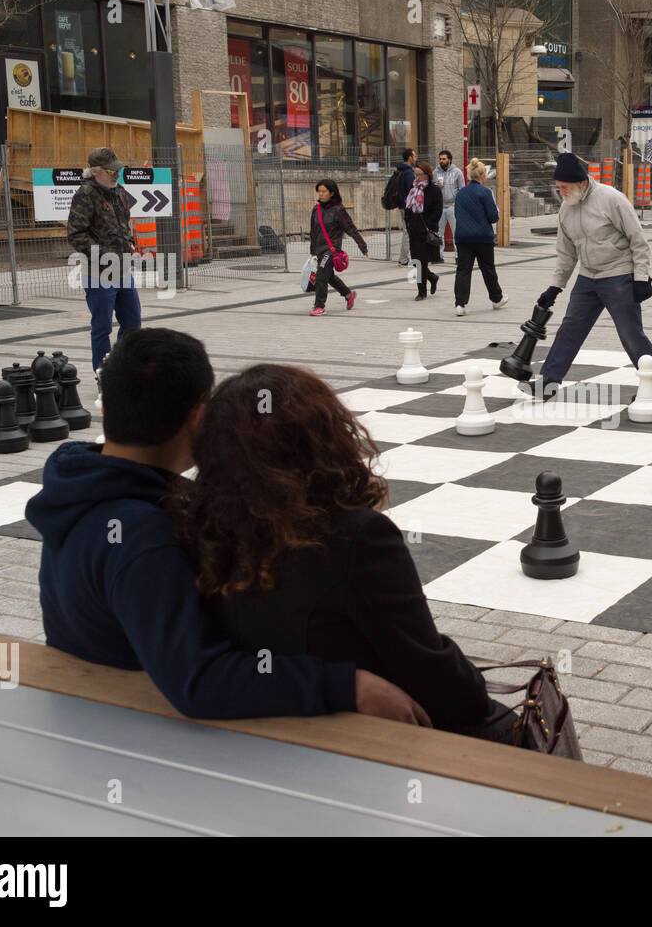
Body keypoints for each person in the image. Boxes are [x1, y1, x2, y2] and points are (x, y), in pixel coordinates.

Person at [24, 328, 429, 725]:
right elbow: (197, 682)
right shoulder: (140, 534)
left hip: (87, 712)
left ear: (106, 407)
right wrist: (345, 685)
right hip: (133, 737)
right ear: (199, 416)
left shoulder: (78, 488)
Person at [166, 364, 524, 743]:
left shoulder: (196, 526)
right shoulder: (357, 538)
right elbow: (433, 673)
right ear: (322, 439)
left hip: (259, 730)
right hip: (360, 740)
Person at [523, 152, 652, 402]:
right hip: (587, 277)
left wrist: (641, 278)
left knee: (630, 333)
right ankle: (548, 383)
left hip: (618, 274)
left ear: (581, 183)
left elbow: (638, 240)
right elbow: (566, 254)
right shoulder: (566, 209)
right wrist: (555, 287)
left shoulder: (611, 199)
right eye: (559, 187)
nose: (561, 192)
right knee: (570, 328)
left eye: (565, 187)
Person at [67, 147, 142, 373]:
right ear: (95, 171)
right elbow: (75, 234)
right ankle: (103, 373)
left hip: (123, 271)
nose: (115, 175)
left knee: (133, 324)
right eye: (111, 171)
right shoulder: (85, 194)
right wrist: (103, 257)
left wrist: (129, 244)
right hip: (98, 274)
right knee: (102, 327)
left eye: (117, 170)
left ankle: (123, 368)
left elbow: (125, 223)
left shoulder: (119, 192)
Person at [452, 158, 506, 316]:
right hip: (483, 237)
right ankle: (497, 298)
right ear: (482, 175)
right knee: (488, 269)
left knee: (463, 270)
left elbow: (457, 214)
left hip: (463, 237)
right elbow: (493, 217)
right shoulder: (485, 192)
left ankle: (460, 304)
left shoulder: (461, 193)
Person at [307, 178, 368, 316]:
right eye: (319, 191)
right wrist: (312, 251)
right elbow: (313, 231)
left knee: (321, 275)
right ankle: (348, 294)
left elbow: (350, 228)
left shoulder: (338, 210)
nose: (321, 194)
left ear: (332, 193)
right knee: (329, 276)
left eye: (324, 191)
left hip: (332, 250)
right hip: (320, 249)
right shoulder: (315, 210)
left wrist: (362, 246)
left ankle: (319, 306)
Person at [404, 160, 442, 301]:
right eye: (416, 174)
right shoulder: (413, 190)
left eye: (420, 175)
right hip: (414, 229)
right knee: (416, 260)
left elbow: (437, 211)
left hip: (426, 230)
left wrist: (429, 225)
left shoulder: (434, 190)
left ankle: (422, 292)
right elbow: (408, 209)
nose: (417, 177)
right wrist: (408, 224)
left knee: (421, 262)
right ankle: (432, 277)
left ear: (427, 175)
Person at [433, 150, 465, 263]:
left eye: (444, 159)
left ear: (449, 160)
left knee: (457, 232)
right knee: (438, 233)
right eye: (440, 159)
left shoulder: (457, 172)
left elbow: (462, 189)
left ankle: (458, 256)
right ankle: (438, 256)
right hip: (440, 207)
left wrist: (458, 205)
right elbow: (431, 188)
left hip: (453, 206)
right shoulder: (435, 172)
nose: (441, 161)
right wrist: (436, 185)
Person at [394, 148, 417, 265]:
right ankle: (403, 259)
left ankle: (405, 258)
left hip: (403, 205)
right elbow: (412, 191)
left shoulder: (401, 171)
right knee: (408, 232)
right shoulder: (408, 173)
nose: (416, 158)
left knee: (407, 231)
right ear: (410, 158)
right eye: (414, 155)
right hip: (407, 206)